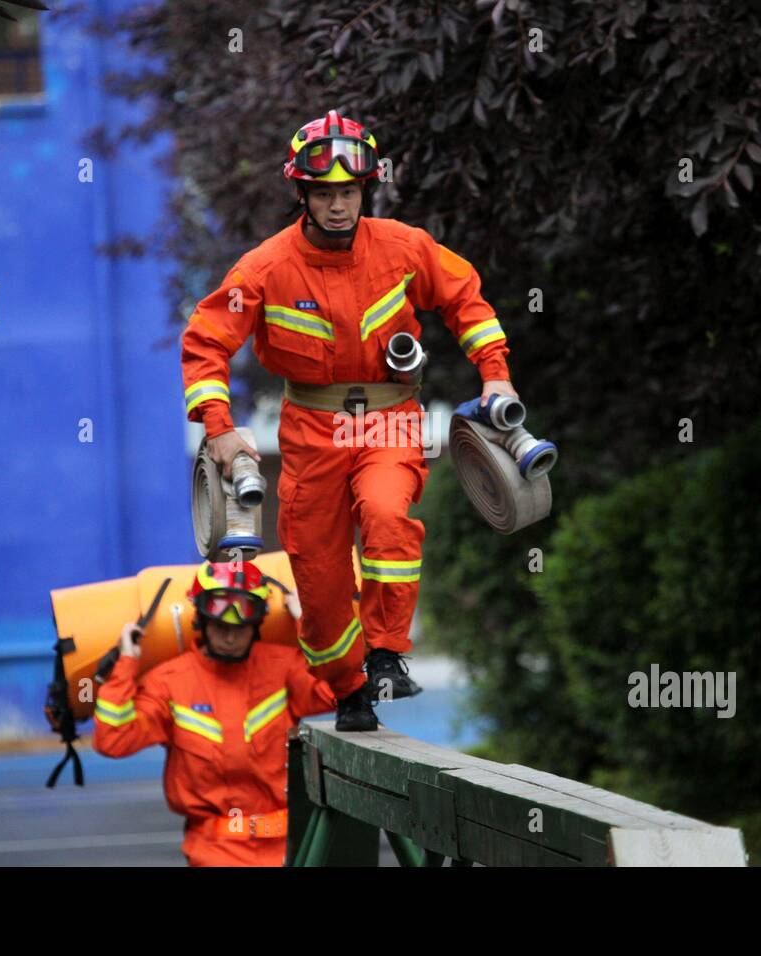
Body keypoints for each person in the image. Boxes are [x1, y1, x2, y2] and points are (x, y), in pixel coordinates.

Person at [180, 109, 519, 731]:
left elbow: (466, 299)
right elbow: (206, 343)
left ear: (367, 190)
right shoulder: (263, 269)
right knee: (320, 573)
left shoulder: (405, 247)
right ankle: (349, 688)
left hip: (389, 421)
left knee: (389, 516)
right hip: (310, 432)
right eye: (325, 194)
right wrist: (220, 427)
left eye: (349, 192)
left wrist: (494, 374)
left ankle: (388, 651)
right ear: (302, 194)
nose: (339, 206)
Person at [92, 559, 336, 866]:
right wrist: (125, 664)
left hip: (293, 848)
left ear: (257, 625)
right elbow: (112, 740)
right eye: (220, 626)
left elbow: (338, 693)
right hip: (214, 852)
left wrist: (309, 627)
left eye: (240, 628)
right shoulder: (169, 683)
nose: (231, 638)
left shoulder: (282, 666)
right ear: (202, 621)